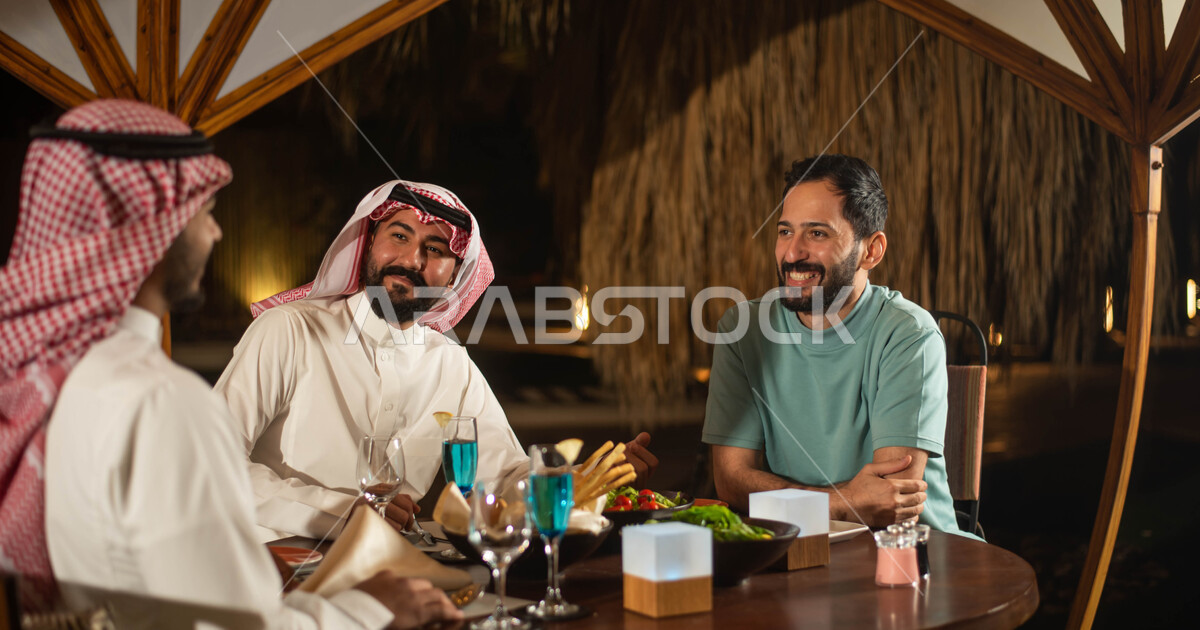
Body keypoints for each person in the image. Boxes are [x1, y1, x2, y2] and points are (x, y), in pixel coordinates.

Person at [1, 99, 461, 627]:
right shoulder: (160, 401)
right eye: (206, 213)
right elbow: (243, 624)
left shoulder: (43, 378)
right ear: (155, 228)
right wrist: (372, 609)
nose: (216, 233)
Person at [216, 180, 658, 542]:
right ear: (368, 244)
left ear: (454, 278)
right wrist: (338, 512)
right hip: (269, 565)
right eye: (399, 236)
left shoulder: (451, 366)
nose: (411, 260)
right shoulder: (289, 331)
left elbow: (504, 475)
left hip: (389, 573)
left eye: (435, 250)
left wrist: (585, 479)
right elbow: (210, 462)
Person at [702, 154, 964, 535]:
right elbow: (731, 482)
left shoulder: (909, 335)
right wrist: (844, 501)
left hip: (916, 552)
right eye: (785, 231)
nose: (792, 253)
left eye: (817, 234)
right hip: (801, 549)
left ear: (871, 251)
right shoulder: (742, 331)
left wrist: (787, 499)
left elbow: (888, 504)